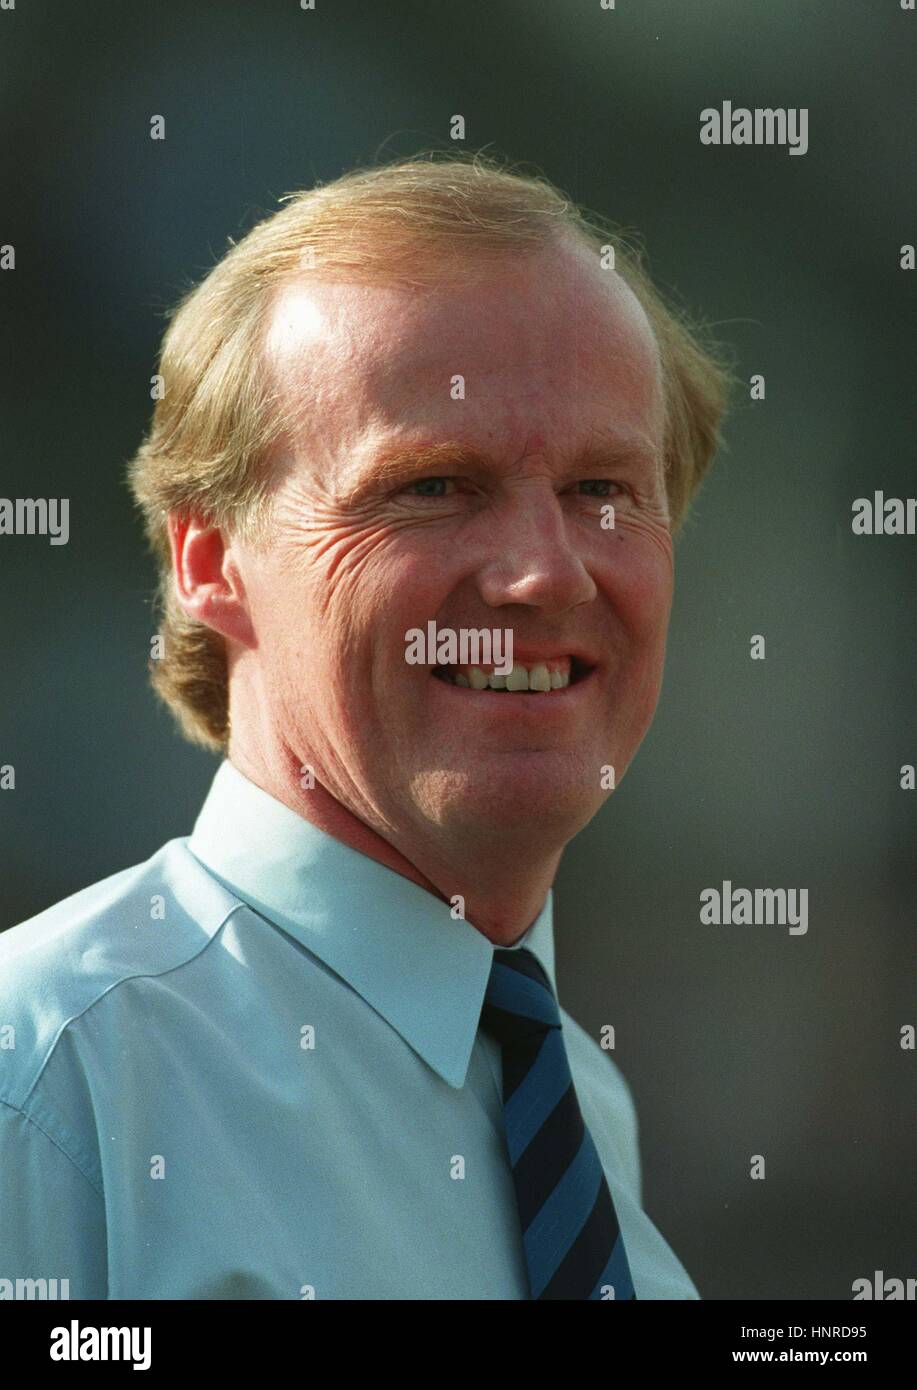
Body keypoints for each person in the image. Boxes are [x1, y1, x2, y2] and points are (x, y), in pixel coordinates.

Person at [0, 153, 730, 1299]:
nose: (543, 573)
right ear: (211, 561)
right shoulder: (46, 1083)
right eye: (433, 486)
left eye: (602, 490)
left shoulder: (575, 1107)